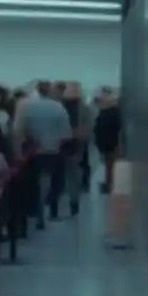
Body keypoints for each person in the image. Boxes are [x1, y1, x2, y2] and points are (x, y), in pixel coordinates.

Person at [13, 80, 71, 227]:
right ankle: (52, 212)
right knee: (55, 183)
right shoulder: (58, 107)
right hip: (53, 151)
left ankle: (35, 212)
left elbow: (18, 130)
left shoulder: (26, 106)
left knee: (34, 185)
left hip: (32, 152)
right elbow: (66, 134)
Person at [59, 82, 92, 217]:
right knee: (73, 174)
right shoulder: (84, 109)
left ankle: (64, 201)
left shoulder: (59, 107)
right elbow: (88, 128)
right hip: (75, 145)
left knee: (65, 174)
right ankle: (73, 201)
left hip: (63, 145)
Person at [93, 87, 122, 194]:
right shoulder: (113, 112)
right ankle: (109, 184)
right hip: (109, 143)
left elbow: (101, 128)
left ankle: (109, 185)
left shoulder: (108, 113)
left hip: (109, 143)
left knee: (110, 165)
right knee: (109, 165)